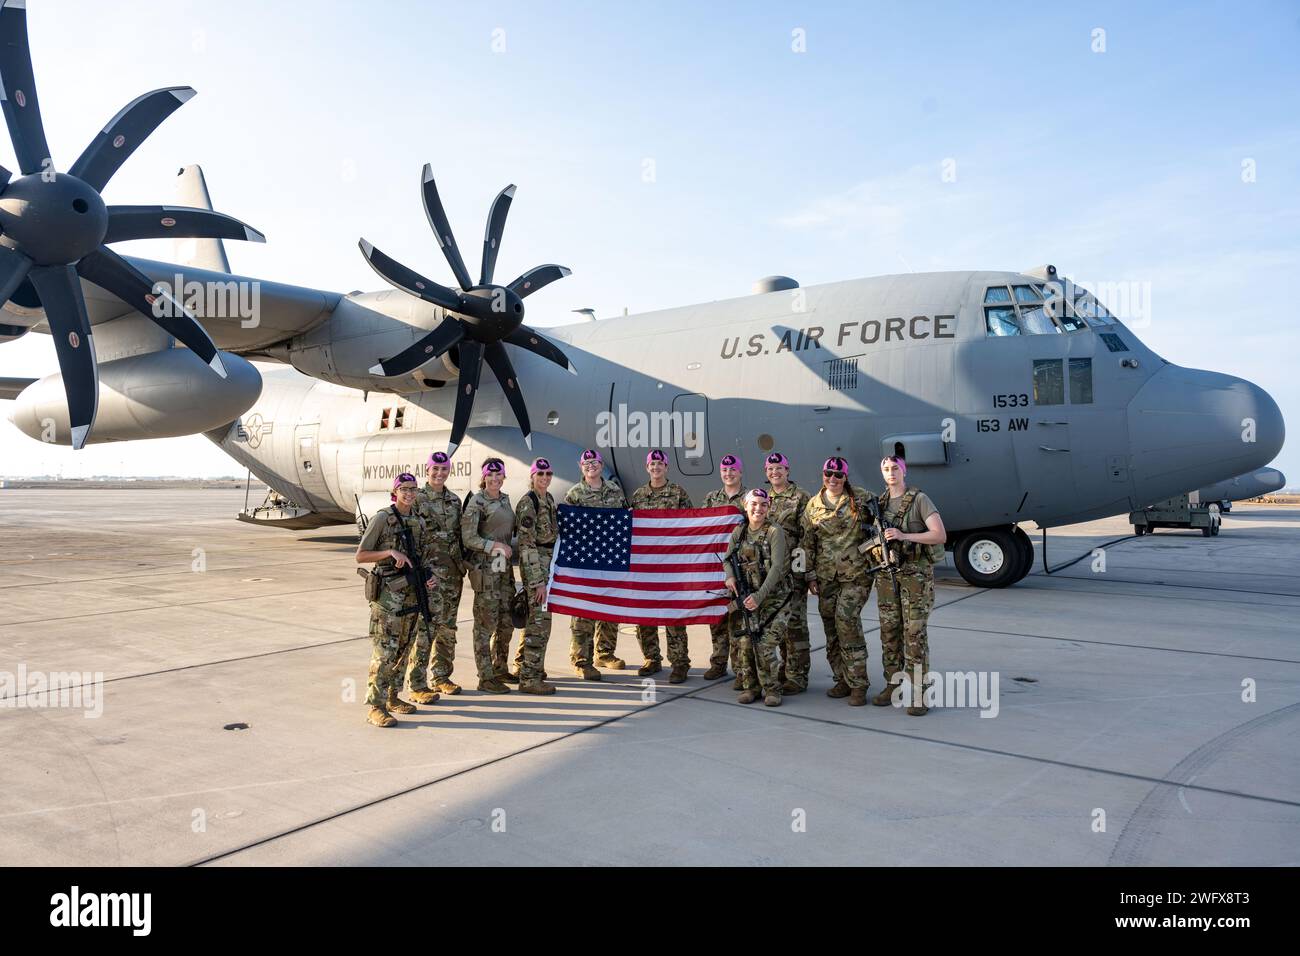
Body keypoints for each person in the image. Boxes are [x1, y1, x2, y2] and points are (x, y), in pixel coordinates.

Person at [355, 473, 441, 727]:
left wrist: (429, 577)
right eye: (404, 489)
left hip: (411, 594)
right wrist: (389, 552)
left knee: (404, 648)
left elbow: (422, 558)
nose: (410, 493)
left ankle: (392, 697)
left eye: (413, 489)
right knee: (385, 651)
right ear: (396, 491)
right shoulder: (383, 518)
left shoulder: (418, 521)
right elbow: (360, 555)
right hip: (387, 597)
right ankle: (375, 706)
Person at [871, 455, 947, 716]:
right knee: (889, 634)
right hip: (887, 577)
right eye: (886, 469)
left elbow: (939, 534)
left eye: (895, 469)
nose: (891, 473)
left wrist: (904, 535)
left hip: (916, 578)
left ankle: (919, 695)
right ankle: (893, 685)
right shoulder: (878, 503)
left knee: (914, 636)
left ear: (904, 472)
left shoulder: (919, 500)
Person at [801, 457, 875, 705]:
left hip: (856, 576)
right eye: (828, 474)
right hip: (826, 578)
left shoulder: (861, 499)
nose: (832, 479)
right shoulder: (813, 505)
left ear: (846, 477)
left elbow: (881, 521)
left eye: (838, 475)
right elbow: (807, 544)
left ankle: (858, 684)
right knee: (831, 630)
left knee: (847, 623)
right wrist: (809, 575)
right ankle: (841, 679)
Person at [404, 450, 466, 696]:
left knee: (448, 627)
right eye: (435, 469)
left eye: (444, 469)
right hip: (429, 576)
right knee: (426, 627)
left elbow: (459, 536)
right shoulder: (417, 499)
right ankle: (417, 683)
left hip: (452, 574)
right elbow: (411, 537)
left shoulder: (454, 501)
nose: (440, 474)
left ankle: (441, 676)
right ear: (427, 470)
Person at [723, 488, 793, 707]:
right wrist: (730, 577)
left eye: (763, 504)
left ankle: (772, 689)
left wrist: (759, 596)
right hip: (748, 597)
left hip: (774, 598)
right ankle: (750, 687)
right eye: (754, 504)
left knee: (764, 643)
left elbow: (777, 569)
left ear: (768, 507)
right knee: (745, 641)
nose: (758, 508)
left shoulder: (774, 532)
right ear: (746, 506)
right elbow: (727, 558)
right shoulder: (739, 532)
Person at [628, 449, 694, 682]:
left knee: (673, 616)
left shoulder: (678, 493)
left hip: (671, 565)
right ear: (647, 468)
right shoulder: (638, 495)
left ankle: (679, 663)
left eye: (659, 464)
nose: (655, 467)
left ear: (666, 467)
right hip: (646, 566)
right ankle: (652, 659)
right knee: (645, 615)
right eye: (652, 464)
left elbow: (690, 526)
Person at [564, 448, 628, 679]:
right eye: (586, 463)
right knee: (583, 611)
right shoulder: (574, 494)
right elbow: (567, 529)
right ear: (581, 468)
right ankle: (581, 660)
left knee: (610, 607)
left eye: (595, 462)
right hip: (585, 562)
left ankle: (605, 653)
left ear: (602, 465)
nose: (591, 466)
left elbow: (624, 521)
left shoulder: (614, 491)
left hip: (610, 560)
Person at [460, 458, 517, 693]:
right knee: (485, 623)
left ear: (503, 476)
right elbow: (468, 538)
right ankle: (485, 677)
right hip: (486, 569)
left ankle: (499, 666)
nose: (495, 479)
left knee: (506, 620)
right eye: (490, 475)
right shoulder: (477, 503)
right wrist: (493, 546)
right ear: (484, 477)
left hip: (504, 569)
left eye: (499, 474)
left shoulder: (505, 499)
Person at [764, 452, 811, 694]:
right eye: (771, 469)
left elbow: (808, 537)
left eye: (779, 468)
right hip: (771, 574)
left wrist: (805, 575)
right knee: (776, 625)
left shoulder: (801, 497)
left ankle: (798, 676)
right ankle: (783, 670)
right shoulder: (764, 498)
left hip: (793, 571)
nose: (775, 472)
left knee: (795, 625)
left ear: (788, 470)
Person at [511, 457, 559, 694]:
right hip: (536, 568)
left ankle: (527, 667)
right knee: (539, 625)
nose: (545, 478)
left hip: (547, 563)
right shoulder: (528, 503)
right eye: (540, 474)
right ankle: (530, 680)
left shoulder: (547, 499)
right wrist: (538, 582)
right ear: (532, 476)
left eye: (548, 474)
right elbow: (527, 545)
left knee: (536, 620)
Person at [700, 453, 747, 685]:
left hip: (741, 568)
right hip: (715, 567)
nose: (729, 474)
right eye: (725, 470)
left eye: (733, 470)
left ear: (740, 472)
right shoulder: (711, 498)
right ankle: (718, 663)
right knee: (717, 619)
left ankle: (740, 670)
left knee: (738, 619)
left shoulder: (749, 499)